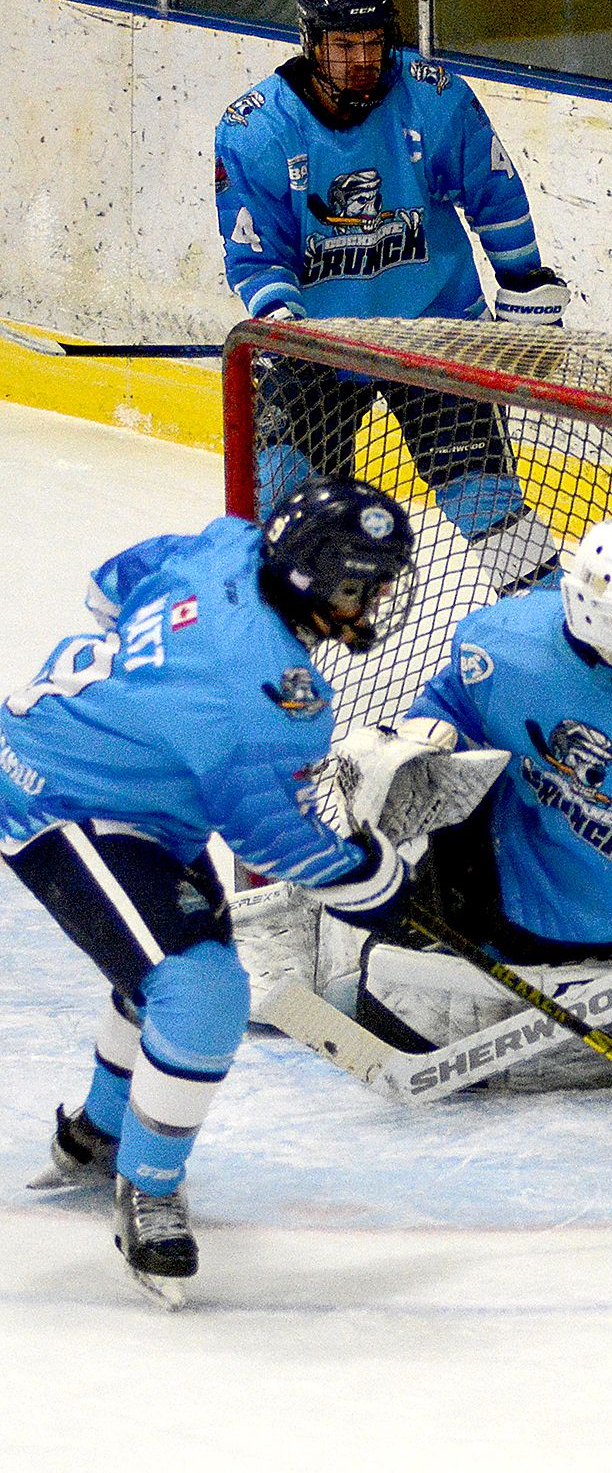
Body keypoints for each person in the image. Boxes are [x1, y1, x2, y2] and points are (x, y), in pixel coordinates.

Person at [7, 478, 420, 1302]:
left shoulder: (226, 545)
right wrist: (375, 882)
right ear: (322, 583)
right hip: (67, 797)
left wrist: (153, 702)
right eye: (366, 582)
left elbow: (112, 582)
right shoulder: (271, 695)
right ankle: (149, 1189)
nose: (379, 598)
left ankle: (99, 1132)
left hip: (144, 793)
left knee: (165, 963)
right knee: (200, 988)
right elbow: (272, 838)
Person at [348, 515, 612, 1082]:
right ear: (589, 613)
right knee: (421, 779)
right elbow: (452, 704)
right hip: (506, 903)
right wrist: (429, 735)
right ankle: (423, 927)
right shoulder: (506, 644)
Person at [213, 0, 569, 593]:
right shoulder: (257, 130)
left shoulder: (433, 98)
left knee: (489, 503)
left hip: (431, 327)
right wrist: (285, 326)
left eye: (372, 43)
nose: (362, 61)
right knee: (287, 520)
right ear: (310, 43)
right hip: (321, 348)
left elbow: (495, 193)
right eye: (344, 44)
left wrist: (523, 279)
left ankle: (551, 626)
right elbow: (259, 257)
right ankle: (261, 653)